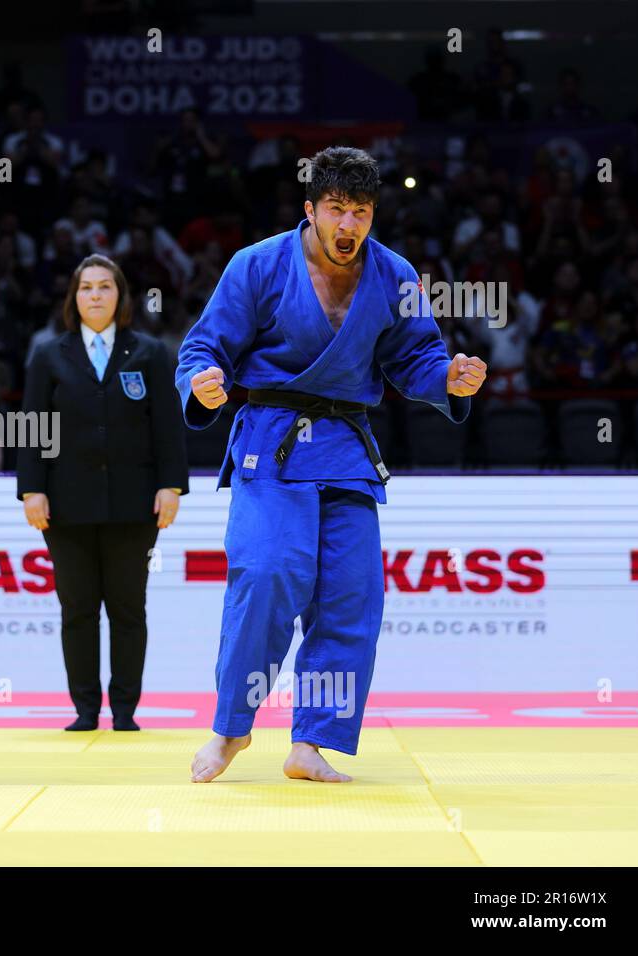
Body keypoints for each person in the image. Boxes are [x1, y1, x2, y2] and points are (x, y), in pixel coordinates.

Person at [177, 147, 487, 783]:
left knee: (352, 599)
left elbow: (415, 358)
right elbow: (204, 345)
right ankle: (232, 729)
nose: (349, 225)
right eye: (338, 210)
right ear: (311, 209)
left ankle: (311, 743)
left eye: (362, 212)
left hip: (345, 448)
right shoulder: (257, 265)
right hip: (272, 439)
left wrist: (450, 379)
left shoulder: (395, 276)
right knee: (266, 576)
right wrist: (204, 381)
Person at [17, 254, 189, 731]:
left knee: (128, 609)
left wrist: (171, 485)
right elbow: (34, 428)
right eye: (86, 287)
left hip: (134, 505)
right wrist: (31, 489)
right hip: (65, 506)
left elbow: (167, 428)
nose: (95, 295)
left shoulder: (151, 353)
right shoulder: (49, 355)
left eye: (105, 287)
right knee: (78, 610)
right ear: (74, 298)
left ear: (121, 296)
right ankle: (86, 710)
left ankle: (126, 710)